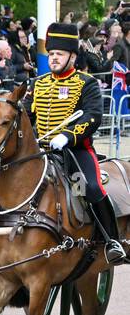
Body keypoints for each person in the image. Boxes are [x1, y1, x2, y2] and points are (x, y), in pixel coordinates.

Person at [26, 22, 125, 264]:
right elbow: (26, 117)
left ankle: (111, 241)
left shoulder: (86, 82)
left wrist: (68, 136)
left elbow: (93, 116)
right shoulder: (37, 84)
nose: (53, 58)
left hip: (75, 151)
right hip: (41, 151)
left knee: (91, 188)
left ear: (72, 56)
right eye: (51, 54)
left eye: (59, 54)